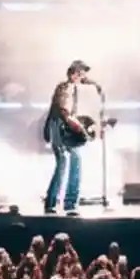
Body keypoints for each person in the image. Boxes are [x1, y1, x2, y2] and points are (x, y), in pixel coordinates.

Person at [42, 60, 91, 215]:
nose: (83, 76)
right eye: (80, 72)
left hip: (59, 128)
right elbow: (63, 111)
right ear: (73, 73)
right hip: (61, 129)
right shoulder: (66, 87)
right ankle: (69, 204)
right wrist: (79, 127)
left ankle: (53, 203)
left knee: (65, 162)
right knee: (70, 162)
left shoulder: (69, 88)